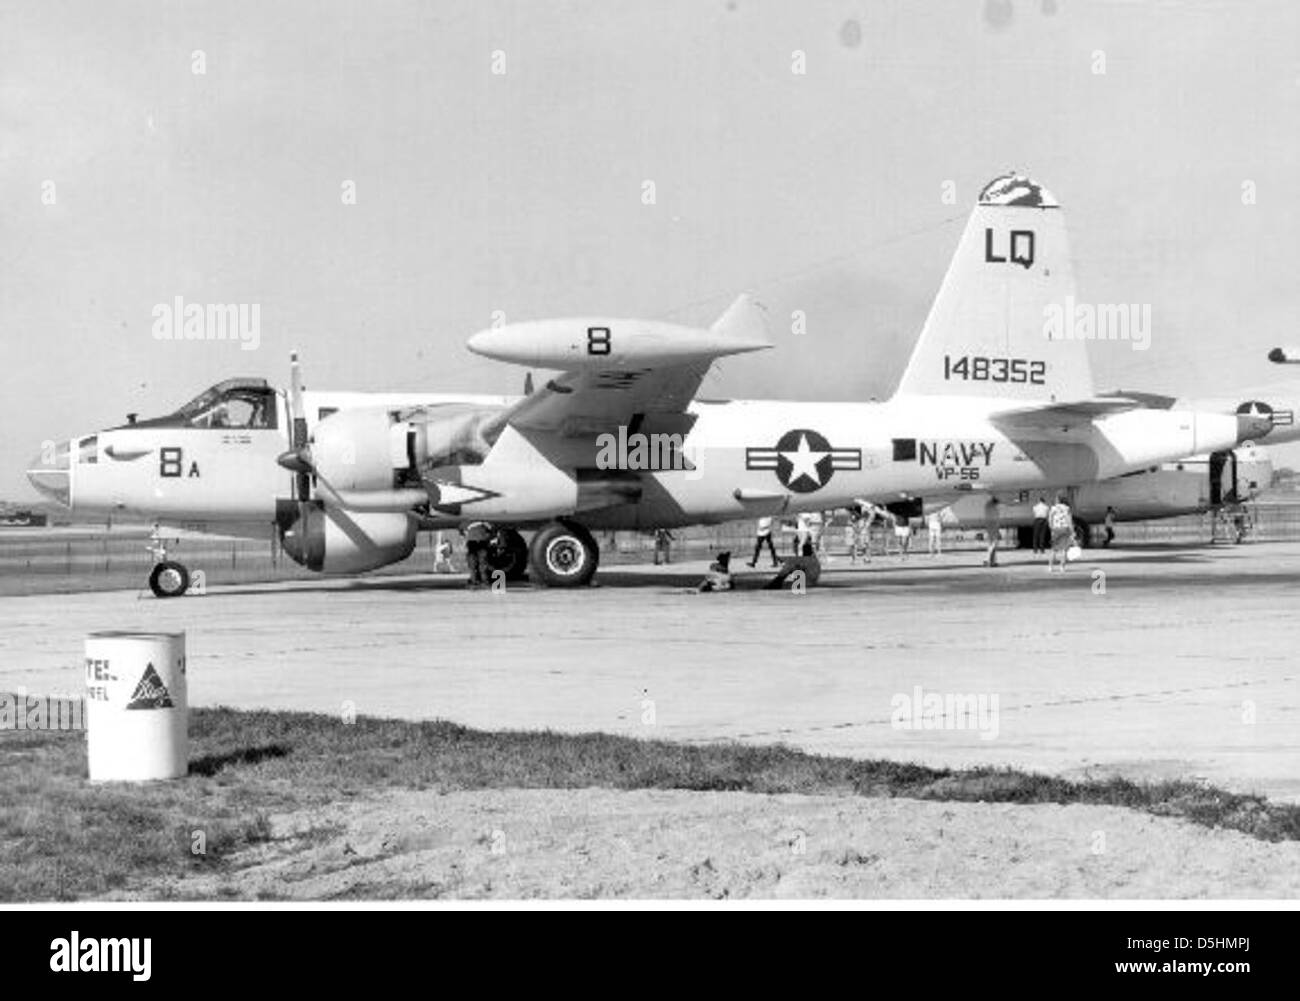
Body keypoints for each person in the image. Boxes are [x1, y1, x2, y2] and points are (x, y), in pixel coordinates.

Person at [1047, 494, 1073, 573]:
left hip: (1056, 529)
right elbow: (1069, 520)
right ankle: (1062, 567)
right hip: (1065, 528)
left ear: (1057, 500)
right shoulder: (1067, 508)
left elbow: (1050, 519)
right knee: (1064, 550)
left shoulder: (1053, 508)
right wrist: (1072, 530)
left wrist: (1051, 527)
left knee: (1054, 549)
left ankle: (1050, 567)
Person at [463, 520, 493, 587]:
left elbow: (463, 532)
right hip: (481, 544)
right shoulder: (485, 523)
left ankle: (474, 581)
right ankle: (484, 581)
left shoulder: (466, 523)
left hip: (472, 544)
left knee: (473, 566)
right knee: (482, 565)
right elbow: (490, 532)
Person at [982, 497, 1001, 567]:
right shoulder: (994, 508)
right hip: (993, 524)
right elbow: (996, 518)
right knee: (994, 543)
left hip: (988, 524)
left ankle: (993, 561)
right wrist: (998, 530)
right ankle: (987, 560)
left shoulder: (987, 505)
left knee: (990, 543)